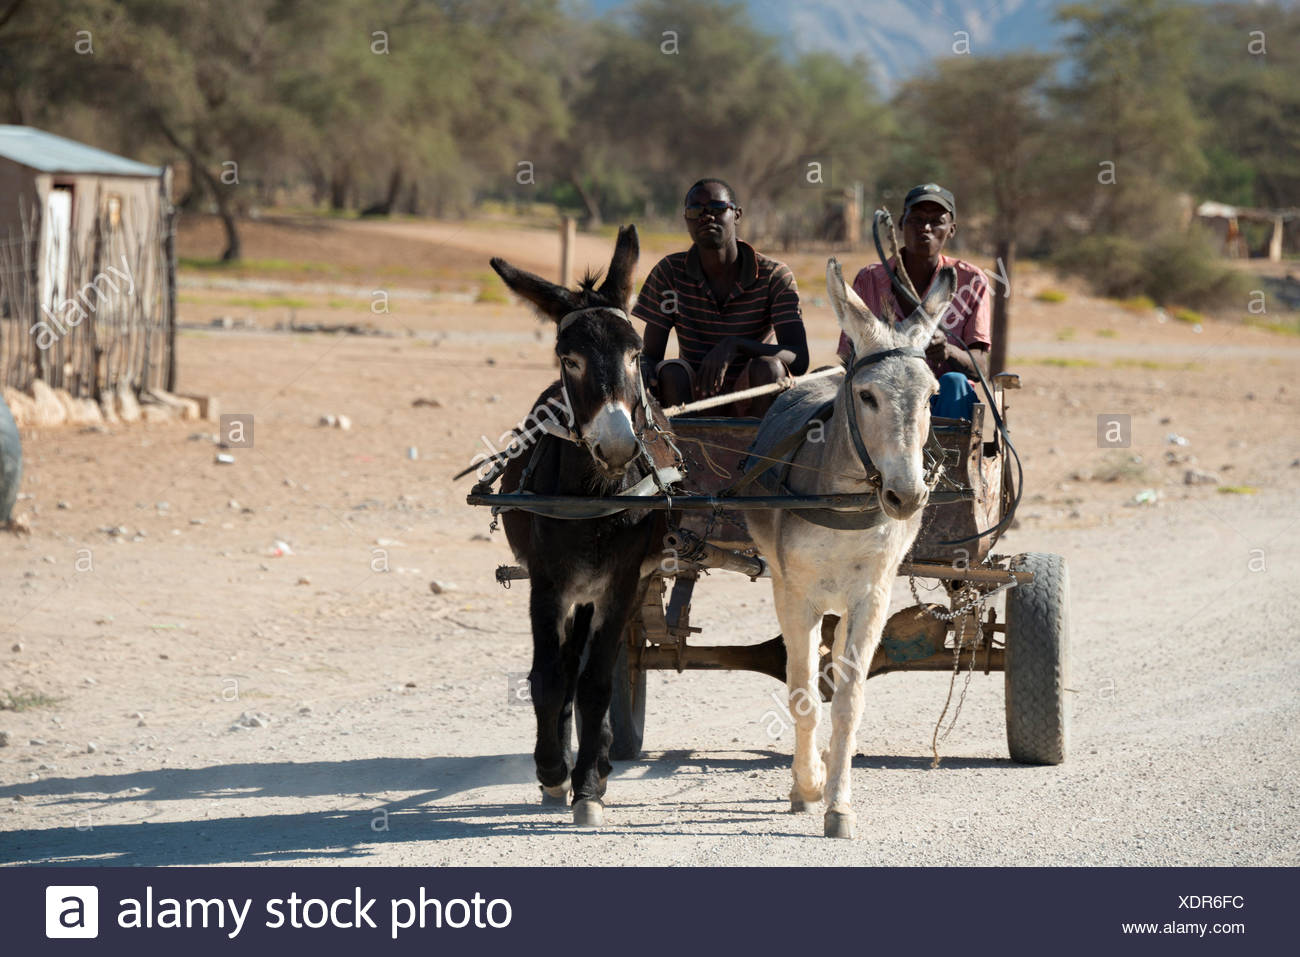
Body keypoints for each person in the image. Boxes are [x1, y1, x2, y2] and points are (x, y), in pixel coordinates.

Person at [633, 178, 809, 416]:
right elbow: (651, 356)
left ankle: (759, 450)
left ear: (736, 214)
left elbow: (798, 358)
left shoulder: (773, 276)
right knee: (670, 372)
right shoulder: (670, 273)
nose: (706, 217)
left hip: (753, 394)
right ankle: (683, 448)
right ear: (686, 220)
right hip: (694, 396)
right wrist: (641, 372)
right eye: (695, 211)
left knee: (769, 368)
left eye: (717, 209)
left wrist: (735, 346)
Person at [837, 183, 991, 420]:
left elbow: (980, 367)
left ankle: (945, 457)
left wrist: (948, 351)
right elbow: (848, 356)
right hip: (885, 399)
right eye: (916, 219)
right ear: (901, 224)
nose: (925, 228)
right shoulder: (869, 279)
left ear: (951, 230)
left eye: (937, 221)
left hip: (943, 400)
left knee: (955, 382)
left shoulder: (971, 281)